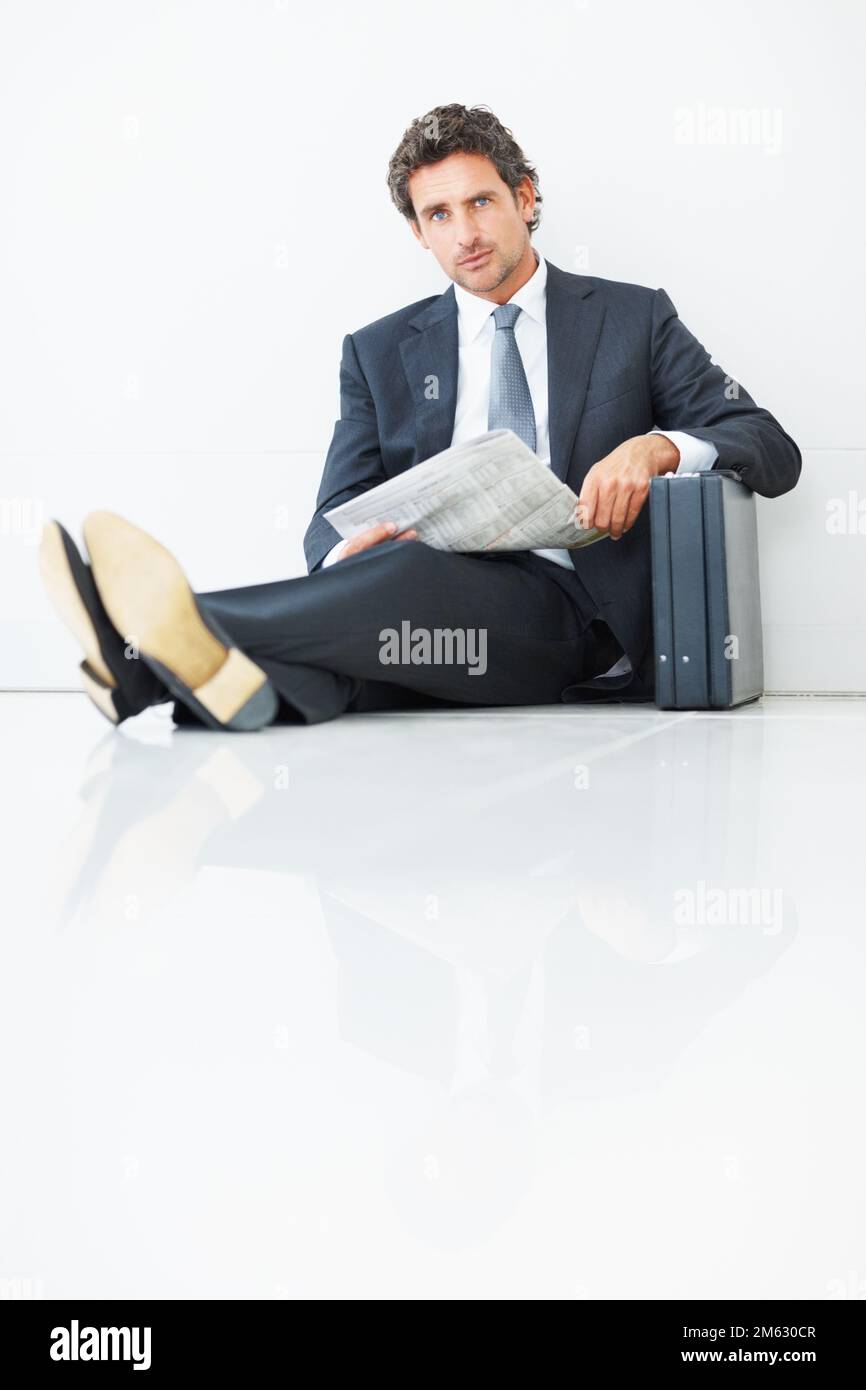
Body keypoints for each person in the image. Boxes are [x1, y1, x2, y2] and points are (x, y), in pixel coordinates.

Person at [39, 103, 801, 732]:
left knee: (406, 575)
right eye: (438, 214)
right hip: (427, 626)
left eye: (480, 202)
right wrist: (351, 554)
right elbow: (329, 523)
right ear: (418, 231)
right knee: (330, 654)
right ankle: (155, 678)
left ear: (525, 198)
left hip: (576, 627)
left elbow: (770, 446)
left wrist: (658, 448)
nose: (465, 233)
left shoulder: (631, 319)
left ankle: (146, 635)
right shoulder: (376, 354)